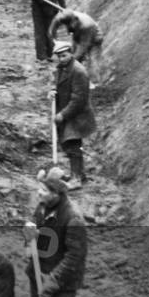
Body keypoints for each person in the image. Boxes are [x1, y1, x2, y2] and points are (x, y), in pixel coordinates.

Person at [23, 167, 87, 297]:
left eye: (44, 191)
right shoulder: (42, 208)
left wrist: (54, 280)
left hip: (62, 278)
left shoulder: (73, 218)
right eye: (39, 189)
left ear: (57, 194)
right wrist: (29, 234)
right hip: (39, 270)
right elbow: (34, 238)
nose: (39, 194)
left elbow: (75, 257)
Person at [50, 41, 96, 189]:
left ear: (71, 53)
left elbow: (79, 99)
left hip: (77, 115)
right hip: (67, 111)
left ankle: (76, 178)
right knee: (69, 145)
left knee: (73, 145)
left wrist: (63, 115)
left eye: (64, 55)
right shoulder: (62, 68)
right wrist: (51, 91)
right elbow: (56, 83)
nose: (62, 58)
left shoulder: (78, 71)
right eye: (60, 56)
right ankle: (79, 174)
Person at [48, 8, 104, 84]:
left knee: (93, 60)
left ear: (74, 20)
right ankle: (74, 77)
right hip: (78, 35)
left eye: (69, 24)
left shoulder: (86, 25)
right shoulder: (64, 16)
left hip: (94, 38)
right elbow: (56, 20)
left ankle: (95, 83)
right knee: (74, 56)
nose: (68, 26)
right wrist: (52, 34)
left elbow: (82, 47)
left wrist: (71, 60)